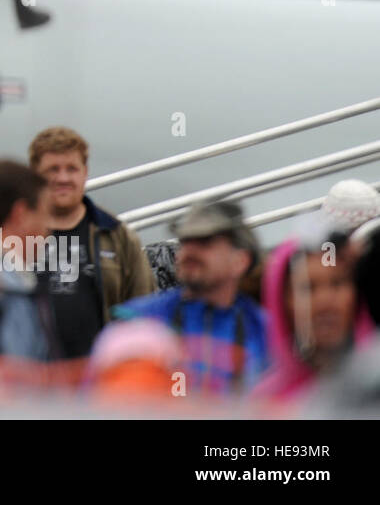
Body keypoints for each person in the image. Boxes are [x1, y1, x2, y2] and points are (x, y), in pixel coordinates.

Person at [114, 202, 269, 395]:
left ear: (240, 261)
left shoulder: (266, 331)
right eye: (185, 242)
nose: (189, 252)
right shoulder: (138, 321)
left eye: (205, 243)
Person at [29, 127, 155, 357]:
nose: (63, 178)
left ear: (85, 172)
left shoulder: (117, 236)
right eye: (53, 169)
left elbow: (145, 313)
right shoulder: (13, 238)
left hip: (100, 382)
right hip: (27, 384)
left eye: (72, 168)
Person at [254, 227, 373, 401]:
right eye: (308, 288)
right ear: (281, 300)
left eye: (337, 283)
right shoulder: (267, 403)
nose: (325, 302)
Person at [0, 159, 61, 360]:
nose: (48, 231)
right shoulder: (9, 290)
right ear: (21, 214)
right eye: (44, 215)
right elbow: (17, 379)